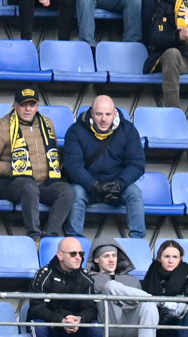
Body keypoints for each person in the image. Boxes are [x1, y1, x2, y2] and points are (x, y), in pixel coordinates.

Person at [0, 88, 73, 238]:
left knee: (67, 190)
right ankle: (34, 236)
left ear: (37, 106)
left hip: (43, 184)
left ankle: (49, 235)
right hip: (10, 183)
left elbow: (53, 154)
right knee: (28, 186)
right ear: (15, 105)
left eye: (32, 104)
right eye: (23, 105)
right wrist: (13, 169)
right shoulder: (1, 126)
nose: (28, 109)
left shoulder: (47, 124)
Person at [62, 94, 148, 240]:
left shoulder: (128, 130)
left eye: (108, 114)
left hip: (117, 186)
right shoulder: (75, 131)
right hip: (87, 186)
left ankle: (137, 241)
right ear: (91, 112)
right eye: (99, 114)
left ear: (115, 113)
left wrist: (120, 183)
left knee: (135, 193)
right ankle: (74, 241)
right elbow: (73, 165)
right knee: (76, 193)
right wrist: (93, 185)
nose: (103, 119)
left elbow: (137, 163)